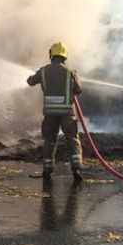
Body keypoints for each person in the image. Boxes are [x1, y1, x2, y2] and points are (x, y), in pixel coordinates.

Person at [27, 42, 83, 180]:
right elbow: (78, 90)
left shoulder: (44, 71)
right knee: (72, 140)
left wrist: (30, 77)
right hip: (68, 114)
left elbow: (31, 82)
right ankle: (76, 169)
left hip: (50, 114)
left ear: (51, 54)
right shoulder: (71, 72)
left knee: (49, 141)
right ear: (65, 56)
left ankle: (47, 170)